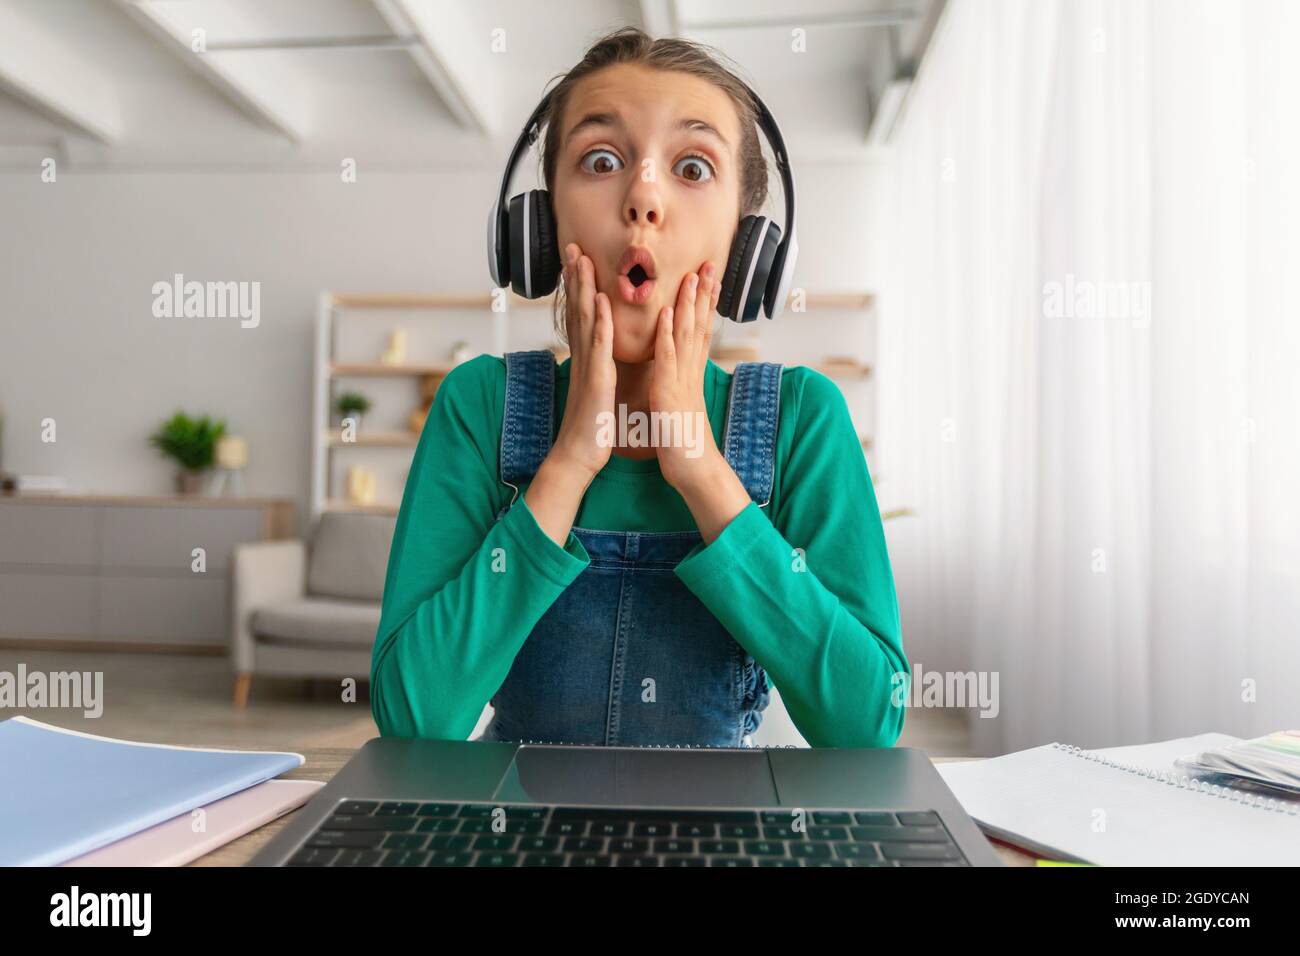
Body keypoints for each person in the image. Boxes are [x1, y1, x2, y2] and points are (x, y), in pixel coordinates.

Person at [370, 27, 907, 749]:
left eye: (691, 167)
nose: (643, 197)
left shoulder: (802, 419)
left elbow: (867, 726)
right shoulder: (479, 407)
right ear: (541, 223)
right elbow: (414, 720)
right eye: (601, 160)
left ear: (746, 246)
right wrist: (566, 466)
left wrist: (702, 471)